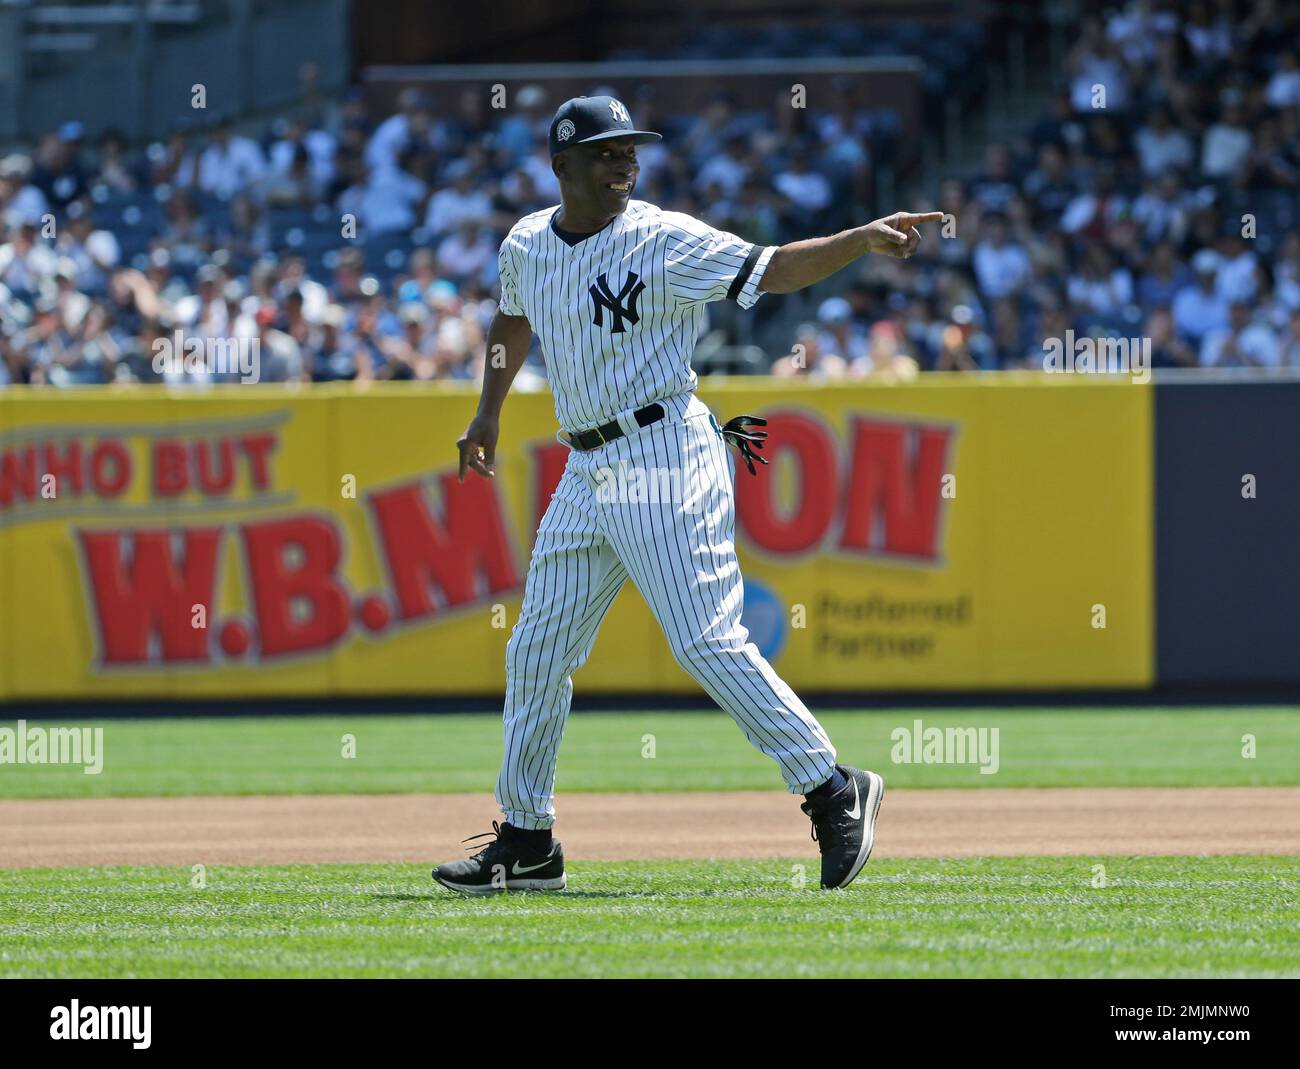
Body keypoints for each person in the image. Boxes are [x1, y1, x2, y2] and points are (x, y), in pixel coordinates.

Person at [435, 95, 942, 895]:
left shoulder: (664, 239)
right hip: (586, 463)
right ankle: (528, 839)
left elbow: (771, 267)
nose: (624, 162)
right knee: (535, 651)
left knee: (704, 637)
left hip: (663, 445)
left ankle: (833, 788)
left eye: (630, 148)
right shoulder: (528, 243)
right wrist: (487, 412)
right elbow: (511, 322)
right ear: (562, 165)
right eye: (605, 152)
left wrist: (856, 241)